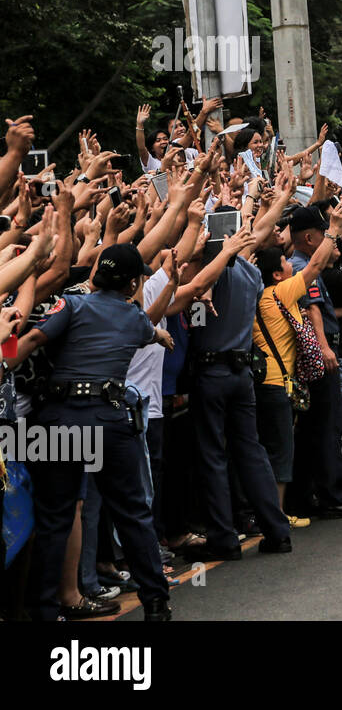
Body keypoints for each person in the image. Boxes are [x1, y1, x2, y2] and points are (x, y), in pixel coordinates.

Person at [9, 243, 174, 621]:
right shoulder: (134, 318)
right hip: (110, 420)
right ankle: (156, 602)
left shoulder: (72, 305)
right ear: (133, 283)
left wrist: (3, 366)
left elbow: (34, 339)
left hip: (61, 419)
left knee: (55, 517)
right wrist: (160, 335)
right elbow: (150, 329)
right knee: (132, 513)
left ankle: (43, 611)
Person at [185, 221, 297, 561]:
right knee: (252, 451)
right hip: (241, 371)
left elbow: (198, 286)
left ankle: (224, 538)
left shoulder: (212, 277)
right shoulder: (251, 275)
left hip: (211, 370)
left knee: (214, 456)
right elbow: (255, 233)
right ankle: (277, 531)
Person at [251, 208, 342, 521]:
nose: (290, 264)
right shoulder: (279, 292)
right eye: (284, 263)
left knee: (277, 449)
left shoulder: (267, 295)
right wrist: (332, 231)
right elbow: (316, 265)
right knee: (280, 453)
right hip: (276, 385)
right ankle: (278, 517)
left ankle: (277, 512)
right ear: (278, 275)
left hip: (274, 384)